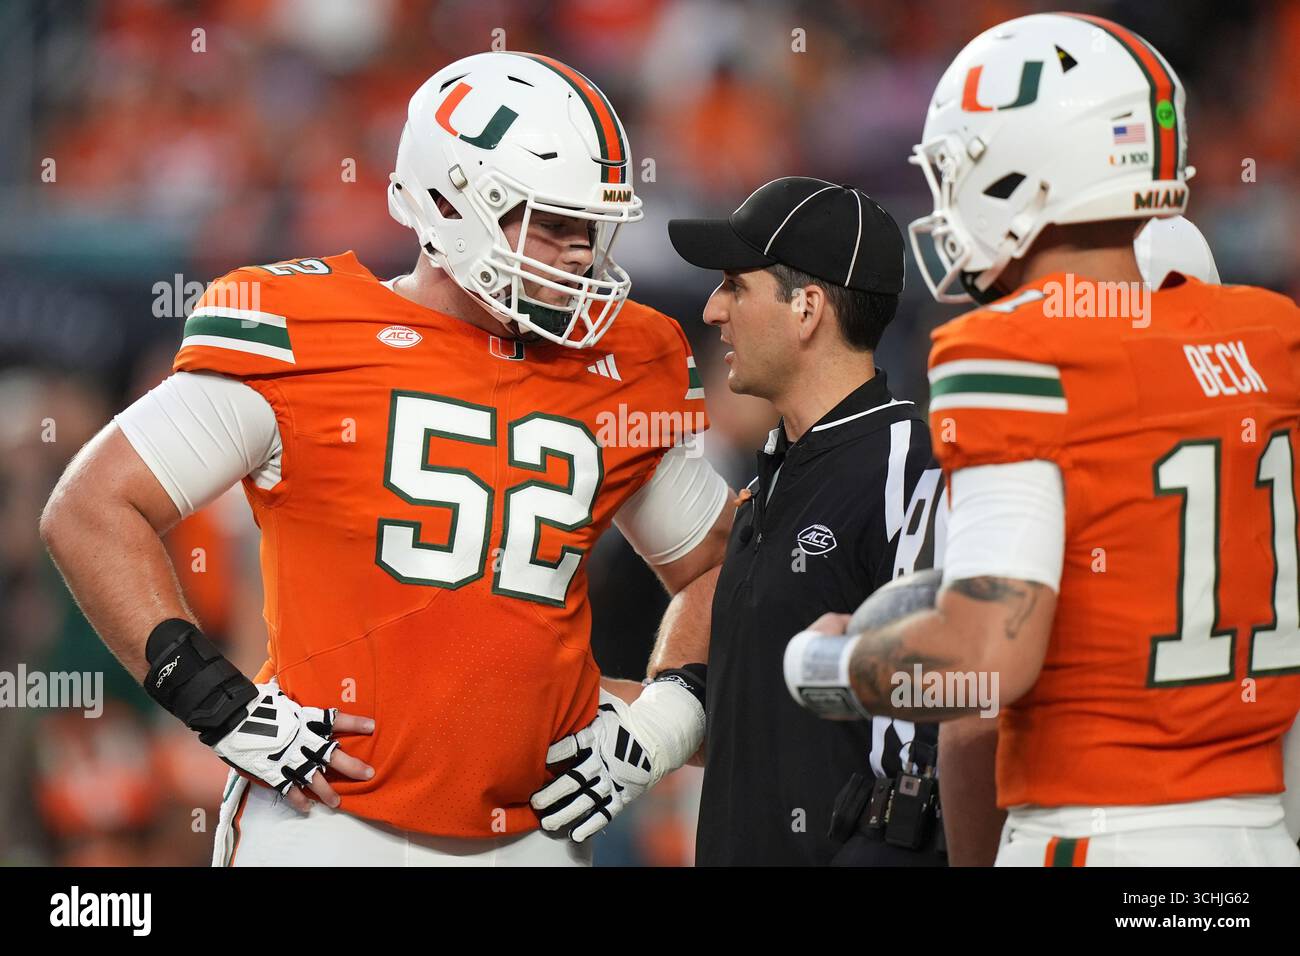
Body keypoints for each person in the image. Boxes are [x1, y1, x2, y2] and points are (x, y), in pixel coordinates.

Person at [39, 51, 734, 867]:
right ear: (449, 204)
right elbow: (90, 509)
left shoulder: (626, 359)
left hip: (539, 833)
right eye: (551, 223)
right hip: (326, 827)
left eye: (592, 228)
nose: (581, 255)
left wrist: (667, 718)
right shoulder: (304, 328)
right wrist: (218, 704)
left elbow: (720, 563)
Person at [784, 12, 1300, 866]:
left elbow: (987, 660)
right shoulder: (1271, 334)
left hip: (1098, 834)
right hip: (1258, 838)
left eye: (957, 170)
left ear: (1028, 174)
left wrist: (835, 663)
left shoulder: (1012, 346)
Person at [669, 177, 942, 865]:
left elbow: (929, 741)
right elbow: (757, 713)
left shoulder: (909, 465)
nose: (711, 309)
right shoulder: (777, 471)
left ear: (807, 308)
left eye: (735, 285)